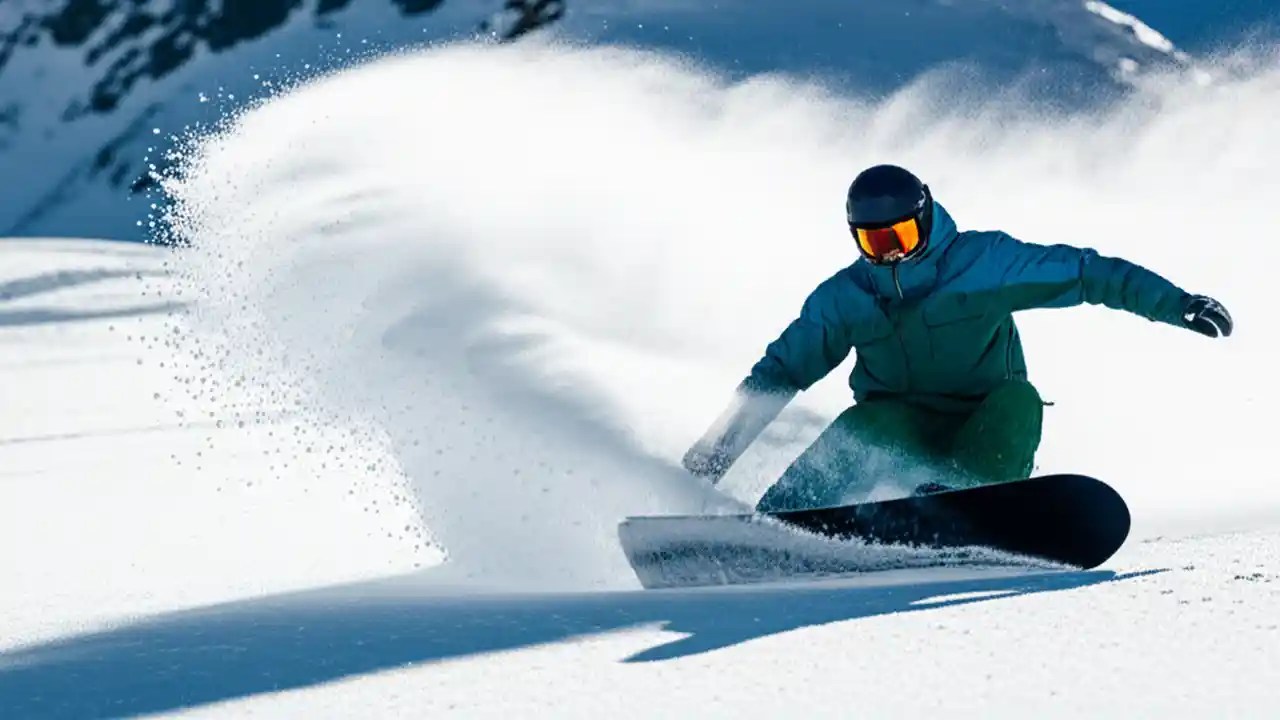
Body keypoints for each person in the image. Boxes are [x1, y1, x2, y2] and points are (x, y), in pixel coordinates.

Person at [682, 164, 1233, 512]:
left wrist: (1179, 305)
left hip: (983, 423)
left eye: (899, 235)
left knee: (1019, 400)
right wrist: (711, 457)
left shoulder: (982, 264)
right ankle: (782, 521)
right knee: (868, 423)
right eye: (875, 242)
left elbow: (1088, 273)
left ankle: (968, 502)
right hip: (900, 426)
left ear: (925, 221)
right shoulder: (845, 298)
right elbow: (779, 373)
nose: (891, 252)